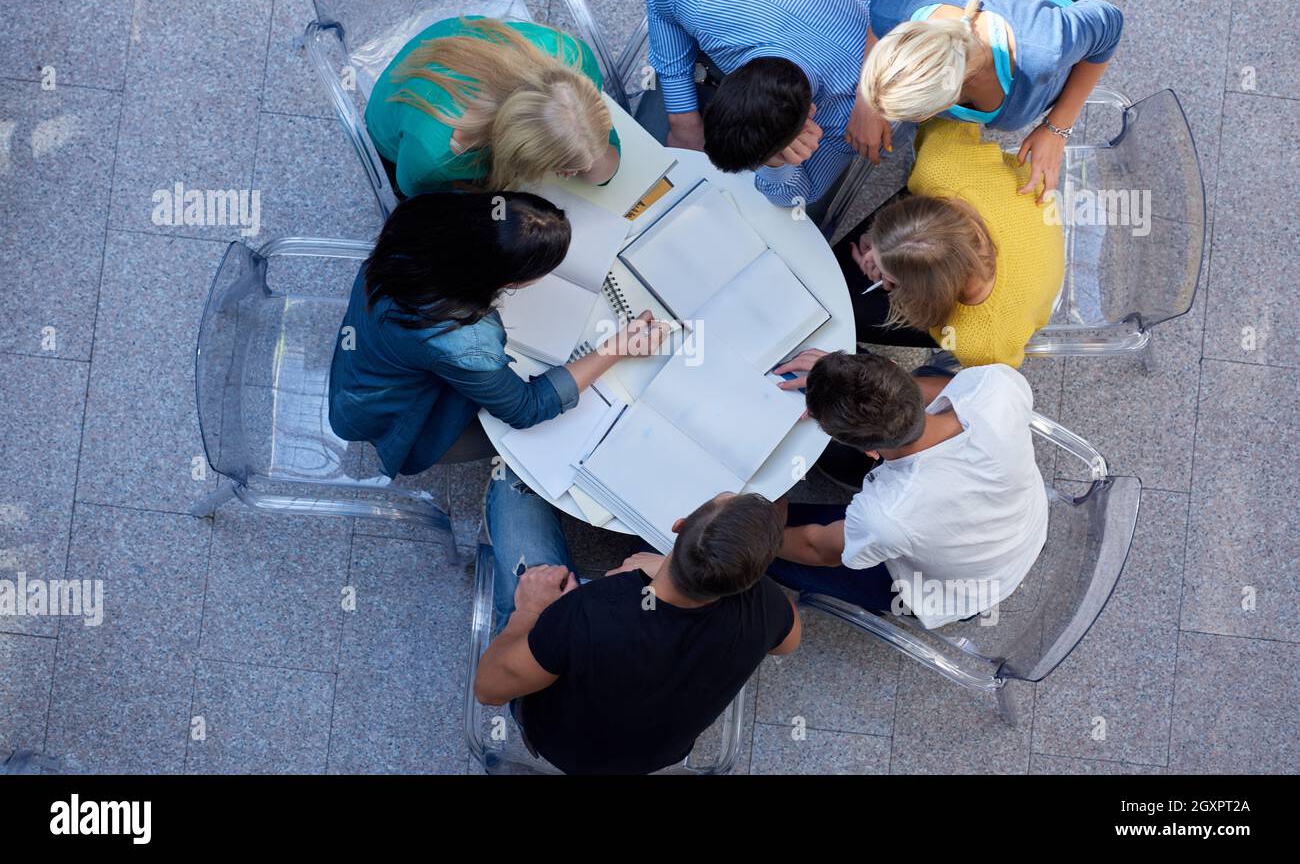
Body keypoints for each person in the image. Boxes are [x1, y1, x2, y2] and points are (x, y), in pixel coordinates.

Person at [474, 476, 801, 775]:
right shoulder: (766, 605)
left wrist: (530, 612)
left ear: (678, 525)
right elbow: (789, 643)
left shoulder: (590, 610)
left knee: (515, 487)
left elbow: (488, 689)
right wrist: (661, 565)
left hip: (558, 744)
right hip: (658, 756)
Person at [327, 192, 663, 476]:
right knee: (546, 435)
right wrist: (619, 346)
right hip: (395, 415)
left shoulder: (424, 215)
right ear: (508, 283)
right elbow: (526, 408)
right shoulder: (464, 341)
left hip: (363, 356)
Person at [848, 0, 1123, 202]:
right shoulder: (895, 11)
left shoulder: (1046, 46)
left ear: (947, 101)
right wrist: (867, 102)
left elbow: (1110, 24)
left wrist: (1057, 128)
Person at [767, 351, 1048, 628]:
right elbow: (954, 388)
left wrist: (758, 528)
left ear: (868, 450)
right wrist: (849, 382)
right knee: (928, 378)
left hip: (964, 590)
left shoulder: (886, 516)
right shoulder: (998, 385)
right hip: (1025, 524)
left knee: (767, 550)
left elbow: (817, 549)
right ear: (894, 365)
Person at [640, 0, 871, 215]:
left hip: (860, 22)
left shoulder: (854, 110)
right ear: (730, 78)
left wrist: (777, 163)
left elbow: (802, 196)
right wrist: (683, 120)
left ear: (811, 116)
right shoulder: (710, 4)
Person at [836, 118, 1065, 368]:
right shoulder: (939, 167)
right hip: (1028, 211)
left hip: (1034, 280)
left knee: (846, 311)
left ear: (925, 294)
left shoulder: (983, 344)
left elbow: (996, 384)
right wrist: (883, 243)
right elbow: (954, 108)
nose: (869, 260)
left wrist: (897, 287)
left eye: (885, 273)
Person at [364, 16, 621, 197]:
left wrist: (586, 155)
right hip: (394, 121)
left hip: (454, 51)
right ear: (515, 151)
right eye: (558, 167)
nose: (572, 172)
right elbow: (422, 199)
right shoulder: (434, 155)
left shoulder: (573, 58)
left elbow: (601, 169)